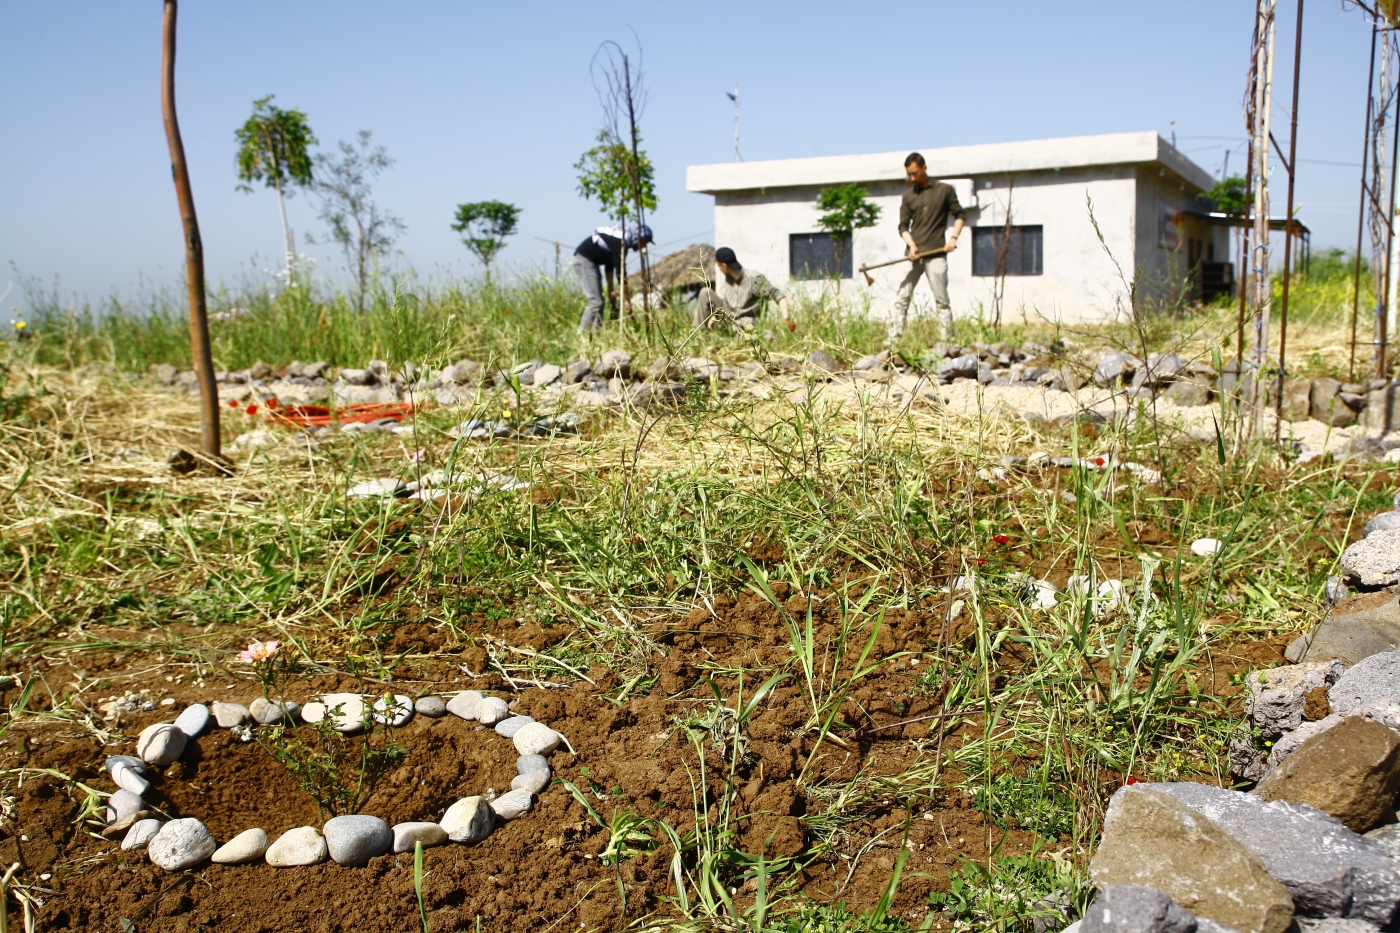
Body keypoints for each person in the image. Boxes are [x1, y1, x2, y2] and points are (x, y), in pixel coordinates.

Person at [893, 152, 966, 339]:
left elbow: (960, 215)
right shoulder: (908, 196)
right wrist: (911, 246)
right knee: (902, 297)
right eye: (909, 174)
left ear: (924, 168)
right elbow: (902, 226)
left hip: (936, 253)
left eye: (915, 173)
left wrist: (953, 239)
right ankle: (895, 339)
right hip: (913, 255)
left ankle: (947, 340)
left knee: (942, 300)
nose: (912, 178)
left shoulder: (944, 190)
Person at [573, 223, 653, 330]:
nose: (644, 246)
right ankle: (582, 334)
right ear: (637, 237)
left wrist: (611, 292)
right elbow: (621, 274)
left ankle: (594, 336)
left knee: (599, 301)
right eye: (644, 242)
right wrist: (627, 301)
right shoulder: (620, 243)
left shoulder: (620, 241)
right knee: (595, 301)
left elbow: (609, 267)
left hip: (591, 262)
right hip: (584, 260)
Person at [694, 247, 794, 332]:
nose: (720, 270)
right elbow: (726, 304)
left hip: (746, 322)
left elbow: (779, 296)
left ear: (724, 265)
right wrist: (715, 316)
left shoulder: (754, 279)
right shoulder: (728, 279)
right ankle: (697, 336)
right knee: (704, 292)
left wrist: (787, 319)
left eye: (720, 267)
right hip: (729, 318)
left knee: (757, 334)